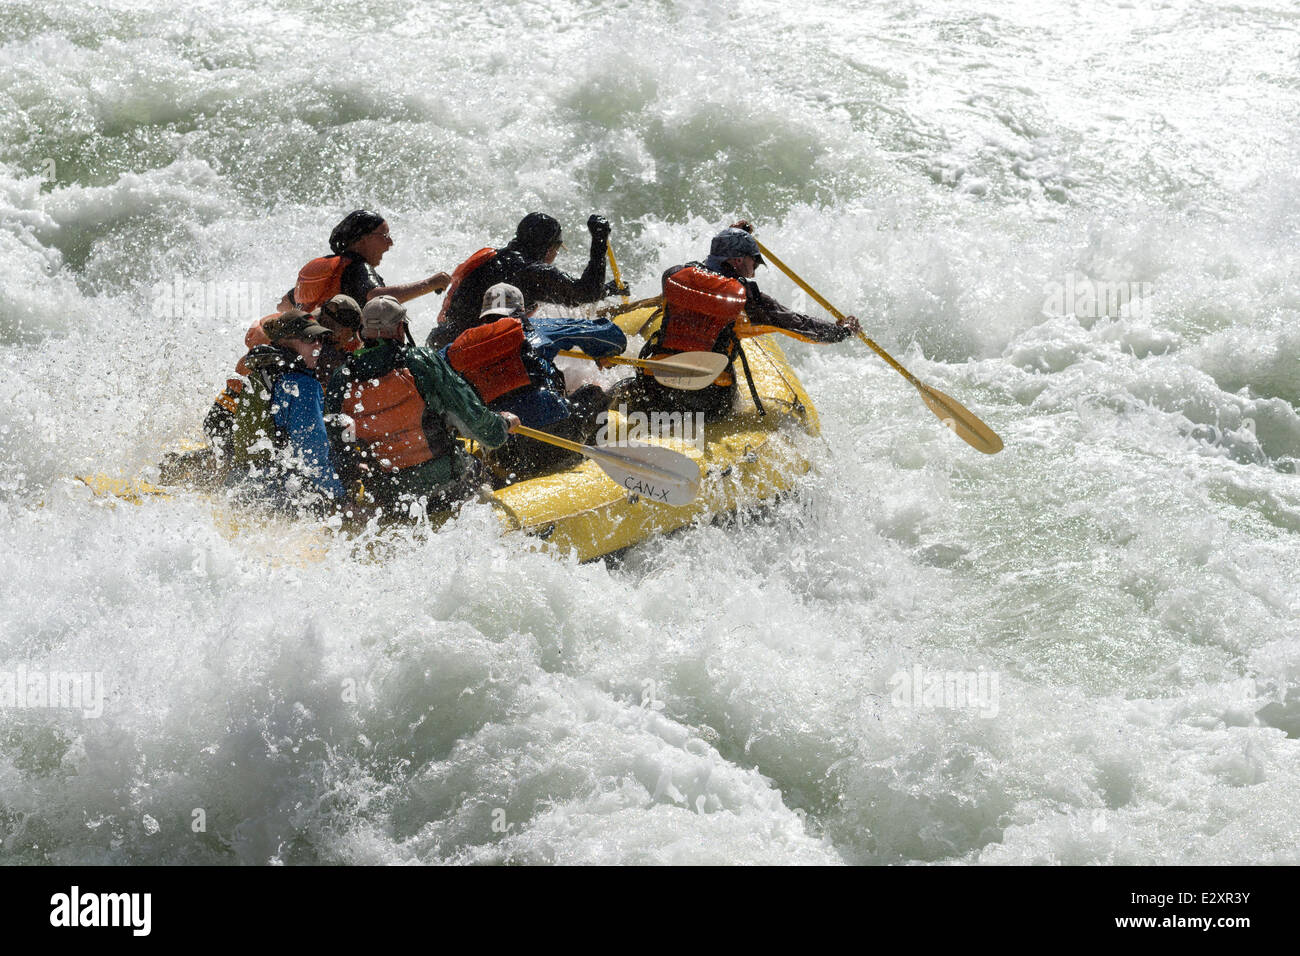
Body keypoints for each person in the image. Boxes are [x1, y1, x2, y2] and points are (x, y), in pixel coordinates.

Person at [635, 222, 861, 419]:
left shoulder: (672, 275)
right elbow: (798, 324)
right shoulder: (747, 299)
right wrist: (841, 330)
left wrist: (733, 234)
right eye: (754, 263)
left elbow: (705, 272)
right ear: (738, 260)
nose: (754, 271)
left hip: (656, 387)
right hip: (705, 398)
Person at [325, 296, 520, 516]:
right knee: (474, 463)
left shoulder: (341, 378)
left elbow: (336, 443)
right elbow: (476, 422)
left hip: (389, 493)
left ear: (363, 331)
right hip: (446, 483)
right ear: (400, 328)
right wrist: (502, 424)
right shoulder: (420, 361)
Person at [443, 283, 627, 481]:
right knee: (593, 393)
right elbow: (612, 335)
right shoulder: (536, 329)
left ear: (484, 315)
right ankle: (590, 463)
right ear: (522, 311)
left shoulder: (456, 349)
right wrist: (604, 353)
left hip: (506, 453)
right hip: (559, 440)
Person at [427, 212, 629, 349]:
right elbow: (585, 293)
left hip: (442, 341)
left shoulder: (493, 258)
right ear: (550, 248)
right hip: (474, 351)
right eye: (558, 249)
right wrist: (599, 241)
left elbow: (572, 292)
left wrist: (606, 291)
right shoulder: (531, 272)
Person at [221, 310, 346, 511]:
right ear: (286, 341)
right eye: (309, 338)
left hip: (238, 486)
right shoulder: (303, 385)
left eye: (321, 339)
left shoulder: (258, 373)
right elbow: (312, 453)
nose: (318, 345)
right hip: (276, 495)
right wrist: (339, 500)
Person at [280, 209, 451, 312]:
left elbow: (284, 305)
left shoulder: (328, 270)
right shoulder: (358, 268)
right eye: (385, 236)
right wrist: (431, 283)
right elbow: (377, 297)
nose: (390, 243)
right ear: (363, 240)